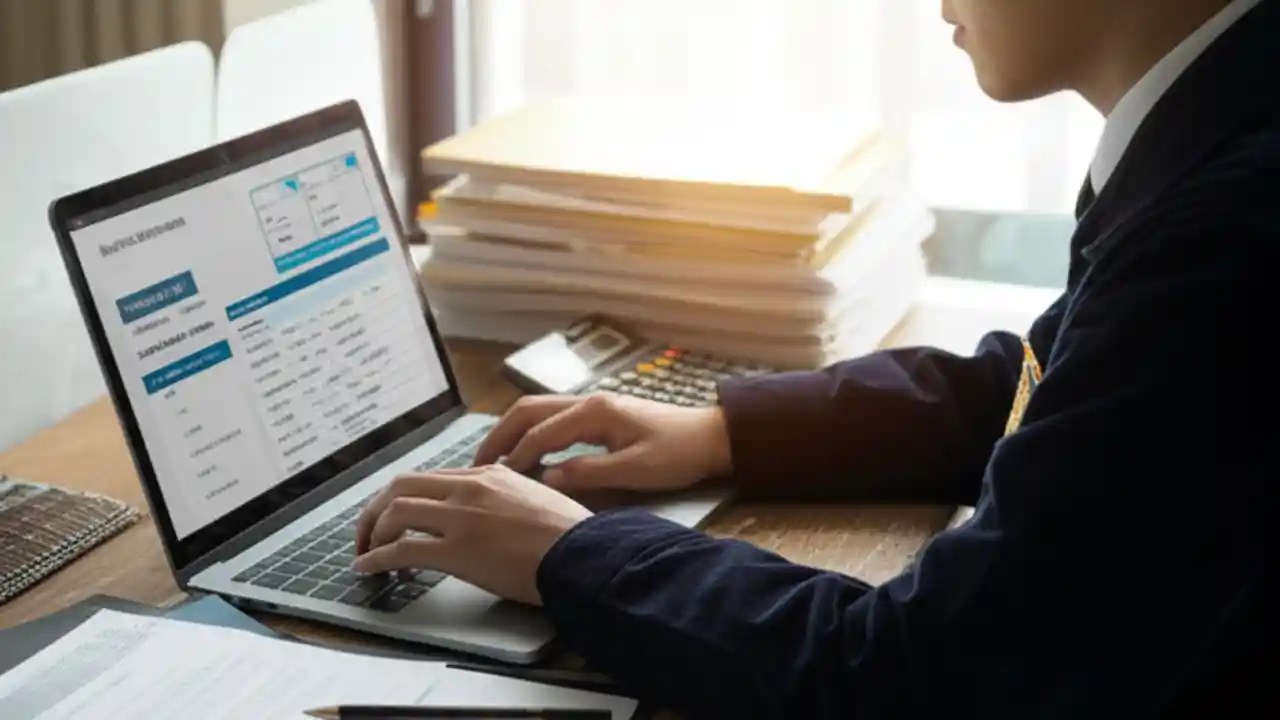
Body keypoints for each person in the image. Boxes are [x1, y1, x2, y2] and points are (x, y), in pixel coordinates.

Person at [355, 0, 1272, 716]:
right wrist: (725, 431)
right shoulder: (1219, 123)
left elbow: (919, 675)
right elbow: (1052, 379)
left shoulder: (1228, 230)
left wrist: (573, 552)